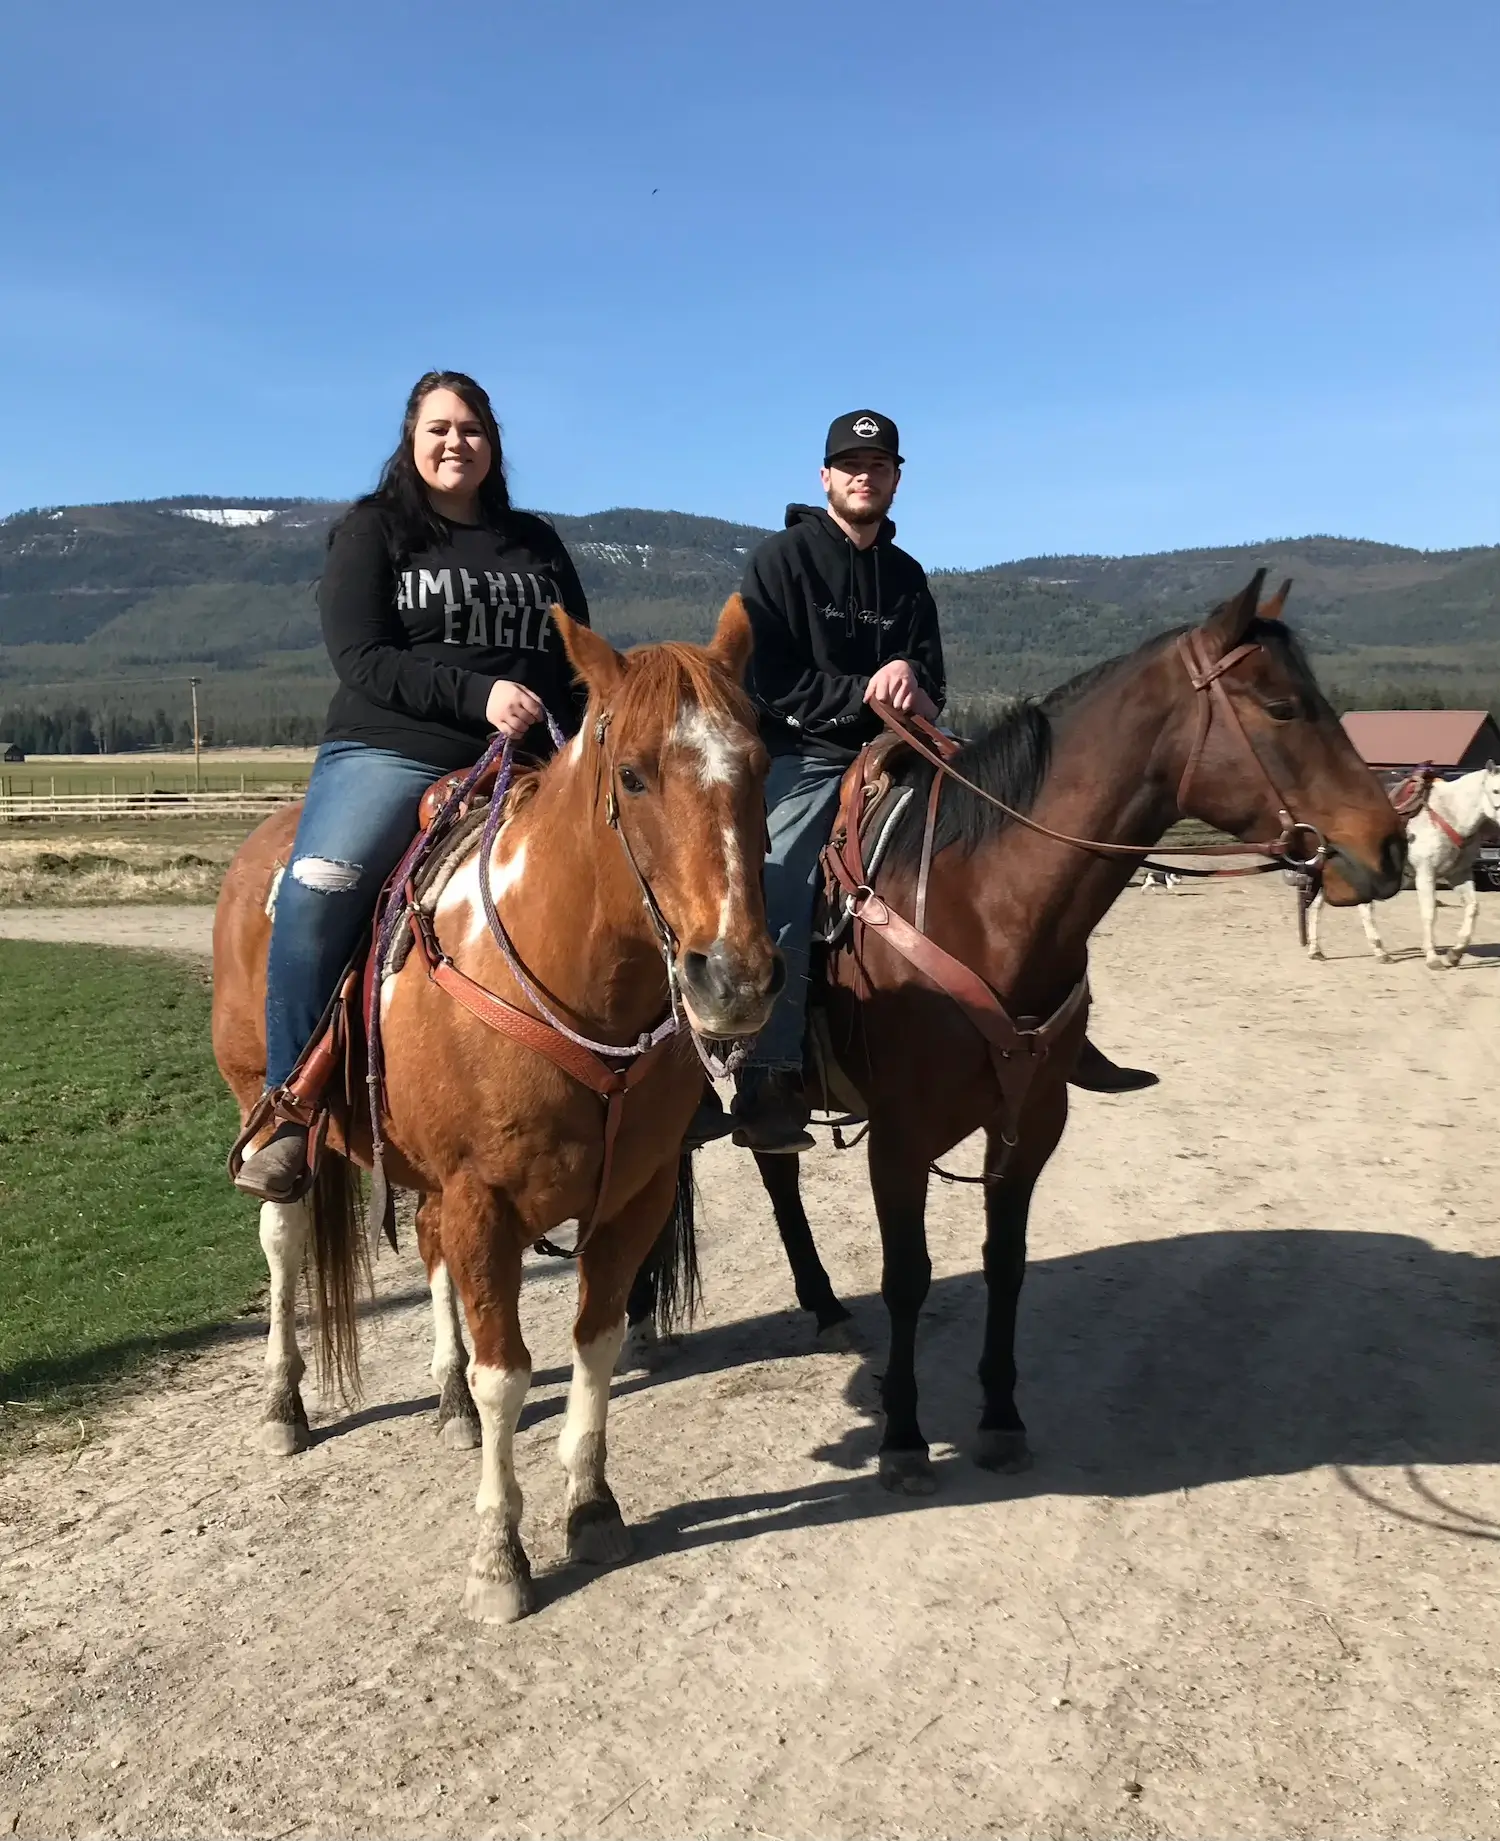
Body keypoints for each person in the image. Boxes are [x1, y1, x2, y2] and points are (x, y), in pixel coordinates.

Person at [725, 409, 1156, 1154]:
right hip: (810, 754)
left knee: (1023, 849)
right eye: (851, 465)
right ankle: (769, 1072)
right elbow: (770, 680)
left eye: (880, 464)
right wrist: (865, 691)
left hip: (910, 750)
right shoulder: (780, 562)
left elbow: (935, 681)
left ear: (897, 478)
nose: (866, 475)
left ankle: (1059, 1032)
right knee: (782, 876)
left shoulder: (908, 576)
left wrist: (915, 687)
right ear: (825, 477)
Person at [234, 370, 591, 1200]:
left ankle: (668, 1077)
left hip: (525, 756)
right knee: (322, 890)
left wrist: (586, 734)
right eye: (438, 428)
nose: (454, 442)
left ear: (493, 442)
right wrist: (480, 694)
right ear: (410, 437)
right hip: (394, 747)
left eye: (470, 428)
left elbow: (575, 657)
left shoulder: (534, 542)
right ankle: (291, 1105)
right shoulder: (373, 532)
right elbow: (363, 657)